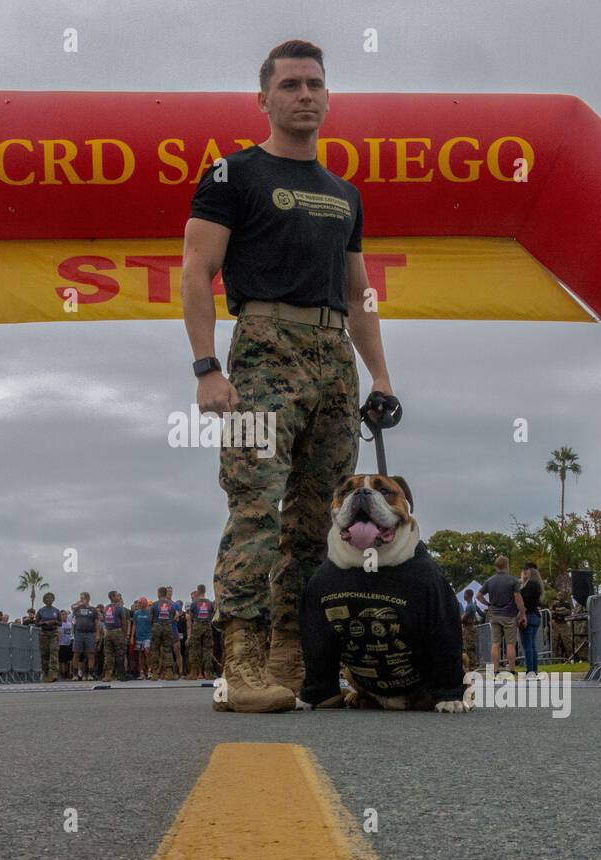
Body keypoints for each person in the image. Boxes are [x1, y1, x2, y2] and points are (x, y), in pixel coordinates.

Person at [184, 39, 395, 713]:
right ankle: (240, 664)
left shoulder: (344, 194)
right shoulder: (231, 176)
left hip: (333, 359)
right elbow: (195, 271)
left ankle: (290, 655)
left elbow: (359, 292)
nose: (306, 95)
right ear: (265, 99)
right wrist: (207, 367)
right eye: (292, 85)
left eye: (315, 84)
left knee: (317, 519)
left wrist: (380, 379)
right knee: (255, 508)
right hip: (261, 351)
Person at [478, 556, 526, 672]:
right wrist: (522, 612)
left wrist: (488, 604)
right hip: (509, 615)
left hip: (494, 615)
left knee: (495, 643)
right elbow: (517, 597)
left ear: (496, 567)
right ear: (507, 565)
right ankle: (512, 669)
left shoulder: (489, 581)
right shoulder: (513, 581)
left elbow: (479, 595)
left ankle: (495, 669)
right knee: (510, 644)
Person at [518, 564, 545, 676]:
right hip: (535, 616)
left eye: (526, 569)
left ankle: (530, 670)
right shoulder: (537, 585)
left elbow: (526, 602)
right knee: (532, 645)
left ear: (530, 571)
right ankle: (533, 669)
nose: (524, 571)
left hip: (528, 615)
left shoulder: (530, 585)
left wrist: (520, 615)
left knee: (527, 645)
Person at [187, 585, 217, 679]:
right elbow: (213, 615)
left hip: (197, 626)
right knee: (208, 650)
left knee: (195, 649)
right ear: (205, 591)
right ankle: (208, 673)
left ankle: (193, 673)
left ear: (198, 591)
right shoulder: (210, 603)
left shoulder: (194, 603)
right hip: (207, 626)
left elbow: (191, 616)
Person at [100, 591, 130, 681]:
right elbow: (124, 622)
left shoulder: (105, 608)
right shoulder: (120, 608)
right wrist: (124, 635)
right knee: (120, 654)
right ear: (112, 597)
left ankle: (108, 675)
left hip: (108, 632)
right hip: (117, 632)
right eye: (117, 596)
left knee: (108, 654)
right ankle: (121, 675)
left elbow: (105, 620)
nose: (118, 597)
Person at [149, 587, 178, 680]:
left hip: (157, 626)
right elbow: (173, 616)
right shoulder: (172, 605)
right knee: (168, 650)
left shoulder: (154, 604)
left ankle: (154, 673)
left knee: (155, 650)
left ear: (158, 593)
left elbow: (150, 618)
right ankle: (169, 672)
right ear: (165, 593)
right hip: (168, 626)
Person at [35, 592, 62, 682]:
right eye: (47, 598)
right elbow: (37, 623)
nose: (49, 600)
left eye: (51, 598)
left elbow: (60, 622)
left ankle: (54, 673)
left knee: (54, 652)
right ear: (44, 600)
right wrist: (44, 623)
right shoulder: (41, 611)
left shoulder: (56, 611)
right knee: (45, 654)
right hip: (44, 633)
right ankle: (45, 672)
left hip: (54, 633)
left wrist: (54, 621)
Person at [70, 593, 98, 680]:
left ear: (88, 599)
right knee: (76, 653)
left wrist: (98, 634)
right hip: (79, 633)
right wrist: (79, 603)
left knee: (91, 654)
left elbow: (96, 622)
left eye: (83, 598)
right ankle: (75, 674)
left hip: (90, 633)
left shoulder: (93, 609)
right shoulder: (77, 608)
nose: (82, 599)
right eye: (81, 598)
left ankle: (90, 674)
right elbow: (72, 607)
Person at [459, 588, 482, 671]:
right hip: (469, 627)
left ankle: (473, 666)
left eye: (465, 594)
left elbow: (464, 617)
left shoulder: (470, 606)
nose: (464, 596)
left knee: (469, 648)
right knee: (469, 647)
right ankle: (473, 666)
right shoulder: (471, 605)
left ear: (467, 595)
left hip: (469, 628)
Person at [132, 597, 153, 679]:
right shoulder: (136, 613)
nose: (139, 604)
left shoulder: (150, 612)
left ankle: (149, 671)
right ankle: (142, 673)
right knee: (140, 654)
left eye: (140, 603)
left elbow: (152, 623)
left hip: (148, 636)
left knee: (147, 653)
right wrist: (131, 637)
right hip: (139, 636)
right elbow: (134, 624)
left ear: (145, 603)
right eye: (138, 603)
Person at [58, 609, 74, 679]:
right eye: (63, 615)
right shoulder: (59, 624)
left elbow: (71, 633)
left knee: (69, 660)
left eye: (65, 614)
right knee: (62, 661)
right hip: (61, 644)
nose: (64, 616)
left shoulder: (70, 624)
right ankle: (62, 673)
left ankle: (68, 673)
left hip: (69, 644)